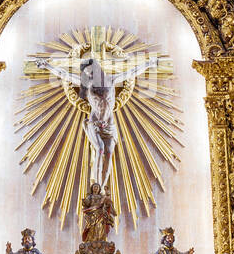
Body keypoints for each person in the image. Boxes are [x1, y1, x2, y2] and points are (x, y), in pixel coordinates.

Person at [36, 51, 162, 188]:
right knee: (100, 148)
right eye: (87, 72)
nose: (89, 74)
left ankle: (101, 190)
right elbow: (64, 74)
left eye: (91, 71)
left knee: (108, 153)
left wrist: (149, 63)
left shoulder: (111, 79)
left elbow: (132, 72)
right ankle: (95, 187)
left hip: (109, 124)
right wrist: (47, 66)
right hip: (94, 123)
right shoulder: (87, 84)